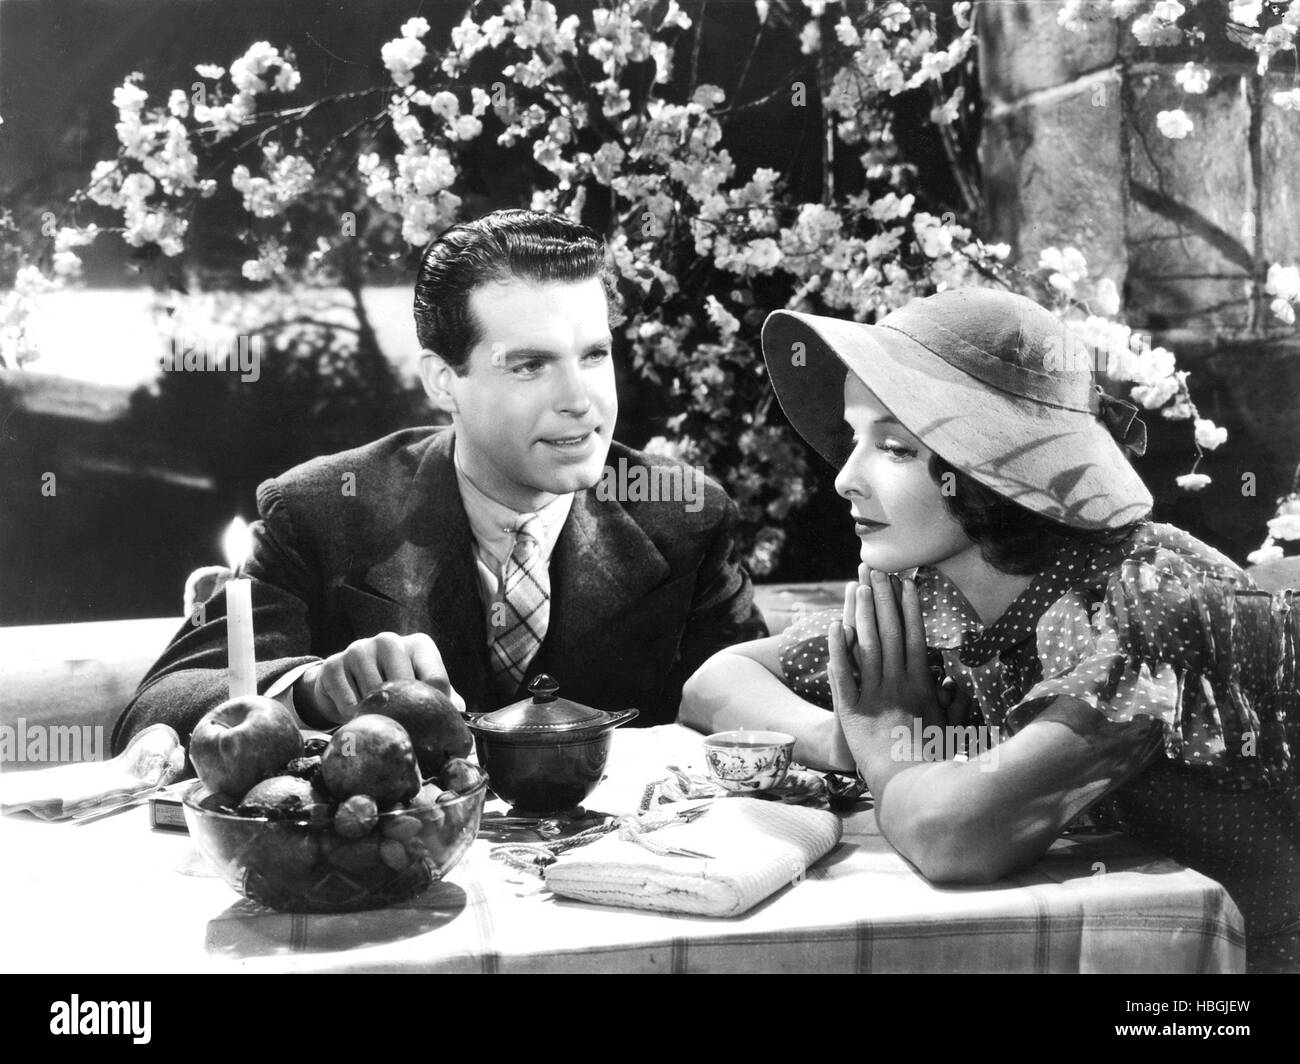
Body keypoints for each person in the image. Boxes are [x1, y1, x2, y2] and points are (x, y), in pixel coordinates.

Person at [679, 287, 1299, 973]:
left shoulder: (1145, 601)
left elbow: (954, 838)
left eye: (894, 449)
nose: (845, 481)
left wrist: (890, 745)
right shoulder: (937, 588)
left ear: (990, 470)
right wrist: (847, 733)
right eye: (853, 440)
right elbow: (716, 681)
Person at [114, 209, 766, 751]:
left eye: (594, 356)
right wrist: (309, 691)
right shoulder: (320, 512)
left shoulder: (684, 517)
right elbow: (151, 716)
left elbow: (761, 706)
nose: (580, 399)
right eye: (531, 366)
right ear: (443, 382)